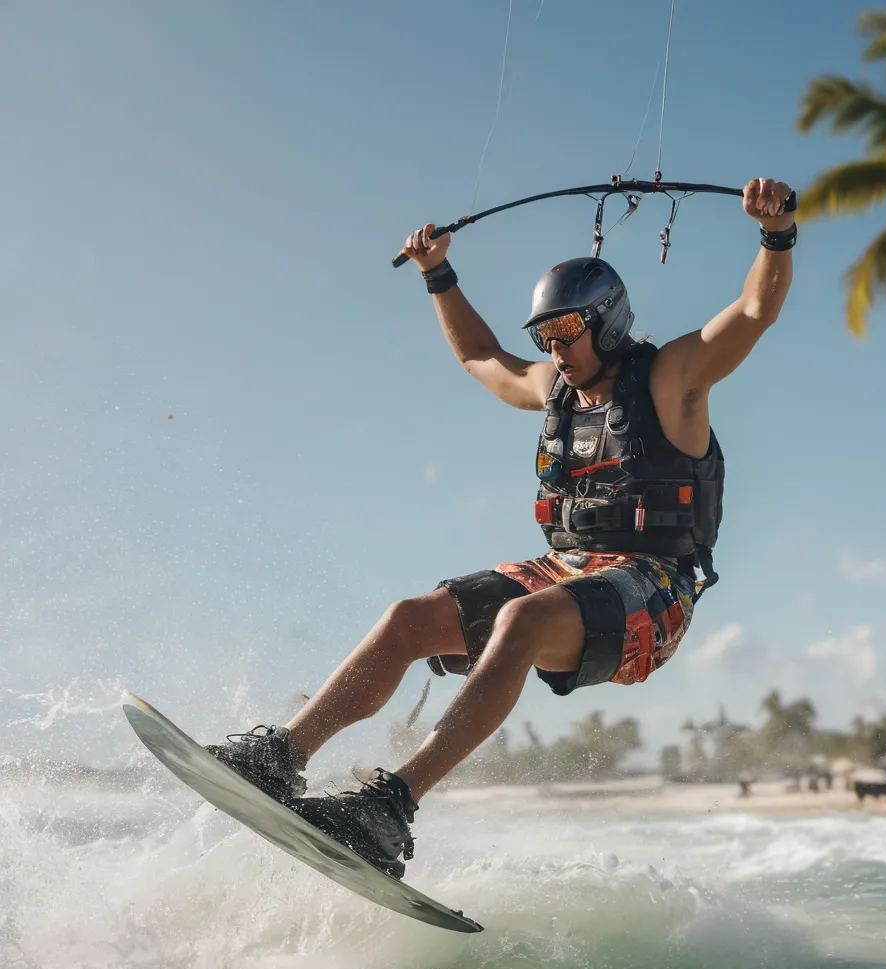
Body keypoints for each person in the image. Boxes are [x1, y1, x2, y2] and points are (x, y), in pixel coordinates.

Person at [206, 177, 796, 879]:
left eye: (565, 333)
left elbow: (757, 311)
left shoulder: (672, 377)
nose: (553, 349)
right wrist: (438, 274)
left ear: (605, 322)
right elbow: (478, 356)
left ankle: (389, 810)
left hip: (654, 590)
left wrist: (775, 234)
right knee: (406, 620)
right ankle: (282, 758)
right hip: (567, 571)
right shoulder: (554, 390)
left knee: (519, 620)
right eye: (544, 336)